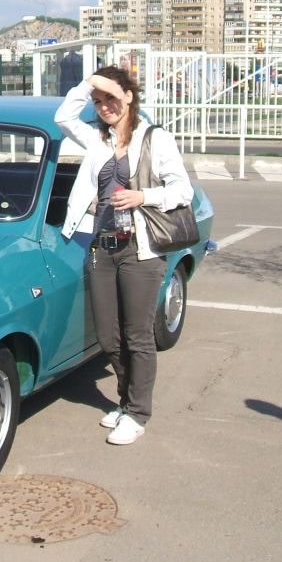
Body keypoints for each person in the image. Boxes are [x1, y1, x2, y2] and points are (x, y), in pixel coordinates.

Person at [55, 66, 194, 445]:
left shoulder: (154, 138)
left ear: (129, 96)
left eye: (111, 99)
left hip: (141, 249)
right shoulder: (96, 140)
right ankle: (124, 399)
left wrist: (142, 197)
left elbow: (183, 190)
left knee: (137, 335)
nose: (104, 107)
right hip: (102, 246)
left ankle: (137, 411)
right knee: (108, 335)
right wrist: (89, 84)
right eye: (98, 102)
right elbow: (64, 117)